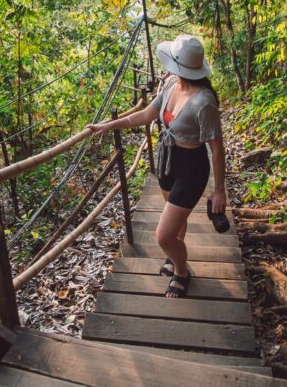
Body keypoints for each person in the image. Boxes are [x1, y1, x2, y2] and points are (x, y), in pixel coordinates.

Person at [88, 34, 226, 298]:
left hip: (192, 170)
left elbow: (217, 149)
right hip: (167, 162)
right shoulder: (172, 84)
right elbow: (146, 115)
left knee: (163, 236)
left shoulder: (204, 102)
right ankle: (176, 255)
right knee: (176, 223)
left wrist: (219, 191)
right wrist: (108, 125)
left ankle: (182, 270)